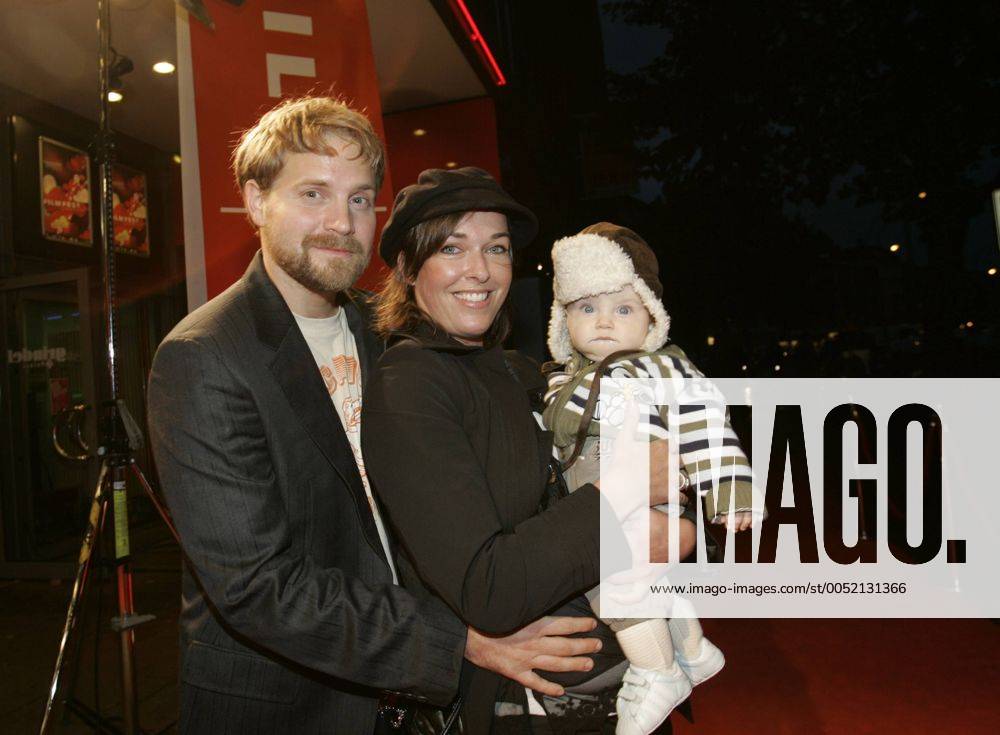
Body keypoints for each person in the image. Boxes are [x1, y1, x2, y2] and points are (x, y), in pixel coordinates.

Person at [146, 98, 606, 734]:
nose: (341, 222)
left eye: (360, 199)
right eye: (313, 193)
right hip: (291, 705)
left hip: (405, 701)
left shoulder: (383, 328)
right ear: (254, 201)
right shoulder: (206, 358)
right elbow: (259, 587)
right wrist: (460, 641)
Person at [361, 168, 689, 733]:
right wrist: (628, 493)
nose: (480, 270)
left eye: (497, 248)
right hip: (524, 711)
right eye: (451, 248)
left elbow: (653, 482)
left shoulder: (523, 372)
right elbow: (490, 588)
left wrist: (683, 527)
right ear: (410, 269)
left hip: (624, 692)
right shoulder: (410, 384)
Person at [542, 222, 761, 734]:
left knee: (616, 585)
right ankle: (691, 649)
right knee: (639, 577)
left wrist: (730, 491)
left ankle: (657, 669)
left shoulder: (662, 368)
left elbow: (709, 424)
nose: (603, 322)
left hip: (642, 492)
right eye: (585, 308)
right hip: (596, 498)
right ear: (562, 318)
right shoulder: (561, 377)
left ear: (651, 318)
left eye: (623, 309)